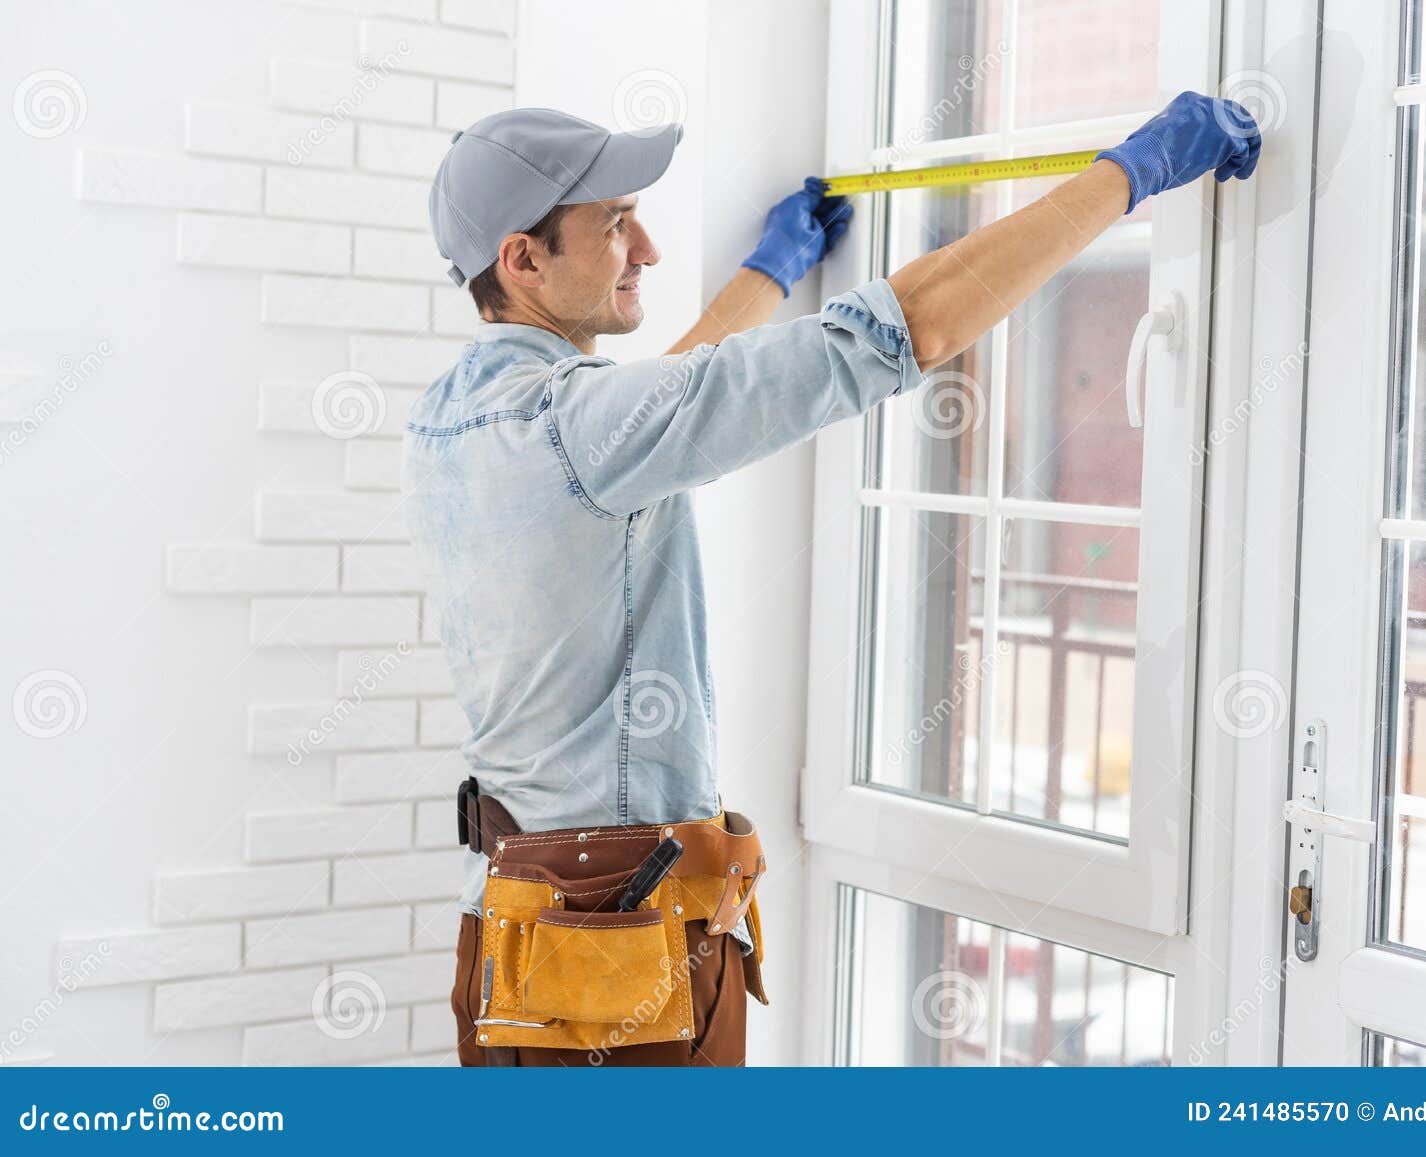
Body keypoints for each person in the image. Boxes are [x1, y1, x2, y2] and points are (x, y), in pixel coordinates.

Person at [405, 93, 1260, 1067]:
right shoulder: (583, 427)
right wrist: (1130, 173)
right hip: (613, 959)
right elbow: (909, 329)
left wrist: (767, 275)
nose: (642, 246)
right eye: (612, 224)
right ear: (522, 259)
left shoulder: (454, 418)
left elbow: (663, 407)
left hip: (513, 942)